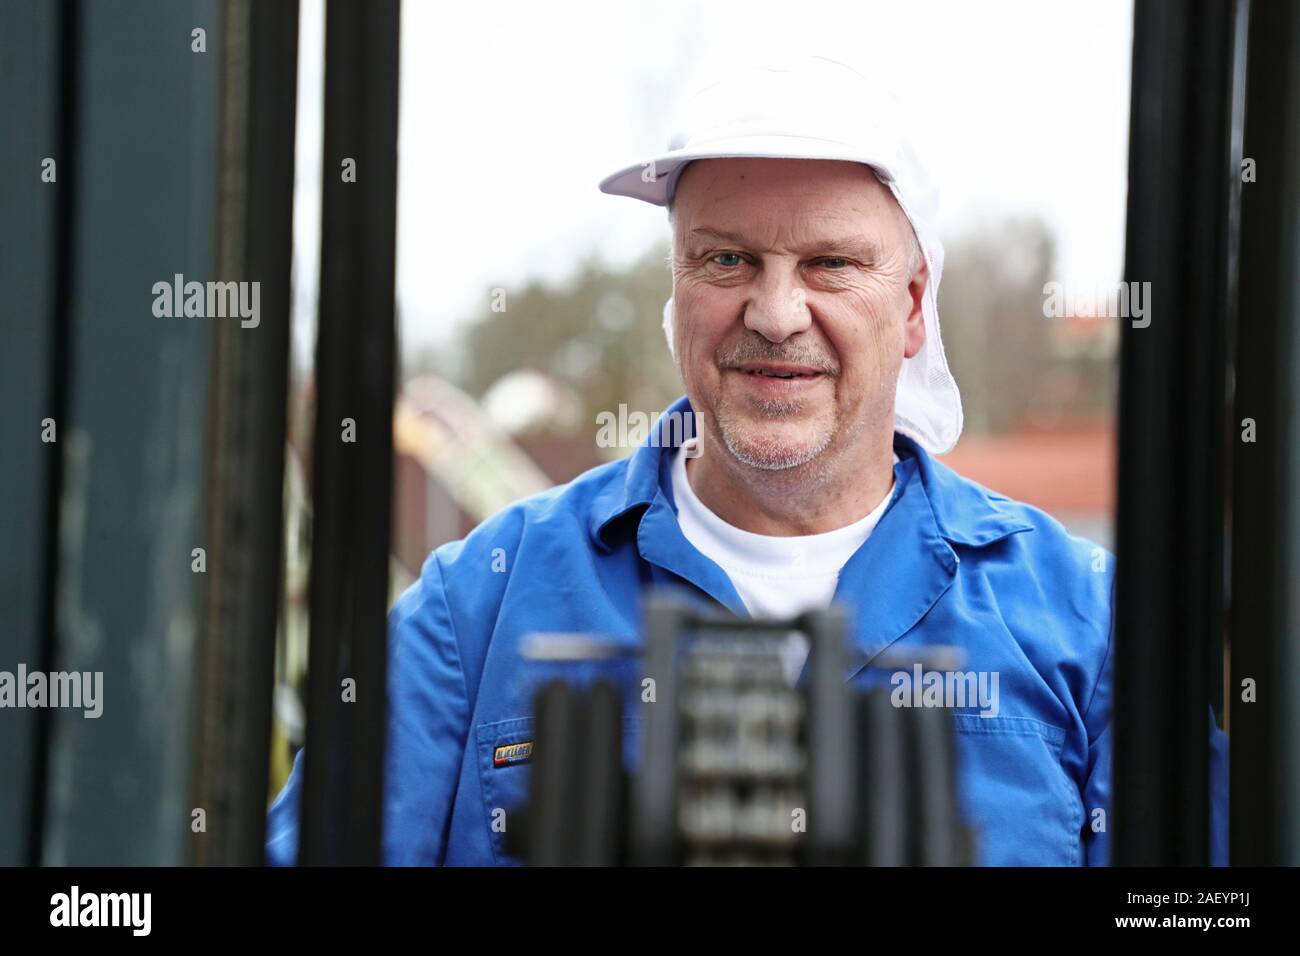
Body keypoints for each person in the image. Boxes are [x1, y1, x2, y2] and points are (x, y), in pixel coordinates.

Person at [267, 55, 1228, 866]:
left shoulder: (1090, 629)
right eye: (726, 260)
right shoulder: (475, 609)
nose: (775, 315)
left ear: (912, 306)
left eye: (830, 264)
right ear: (676, 289)